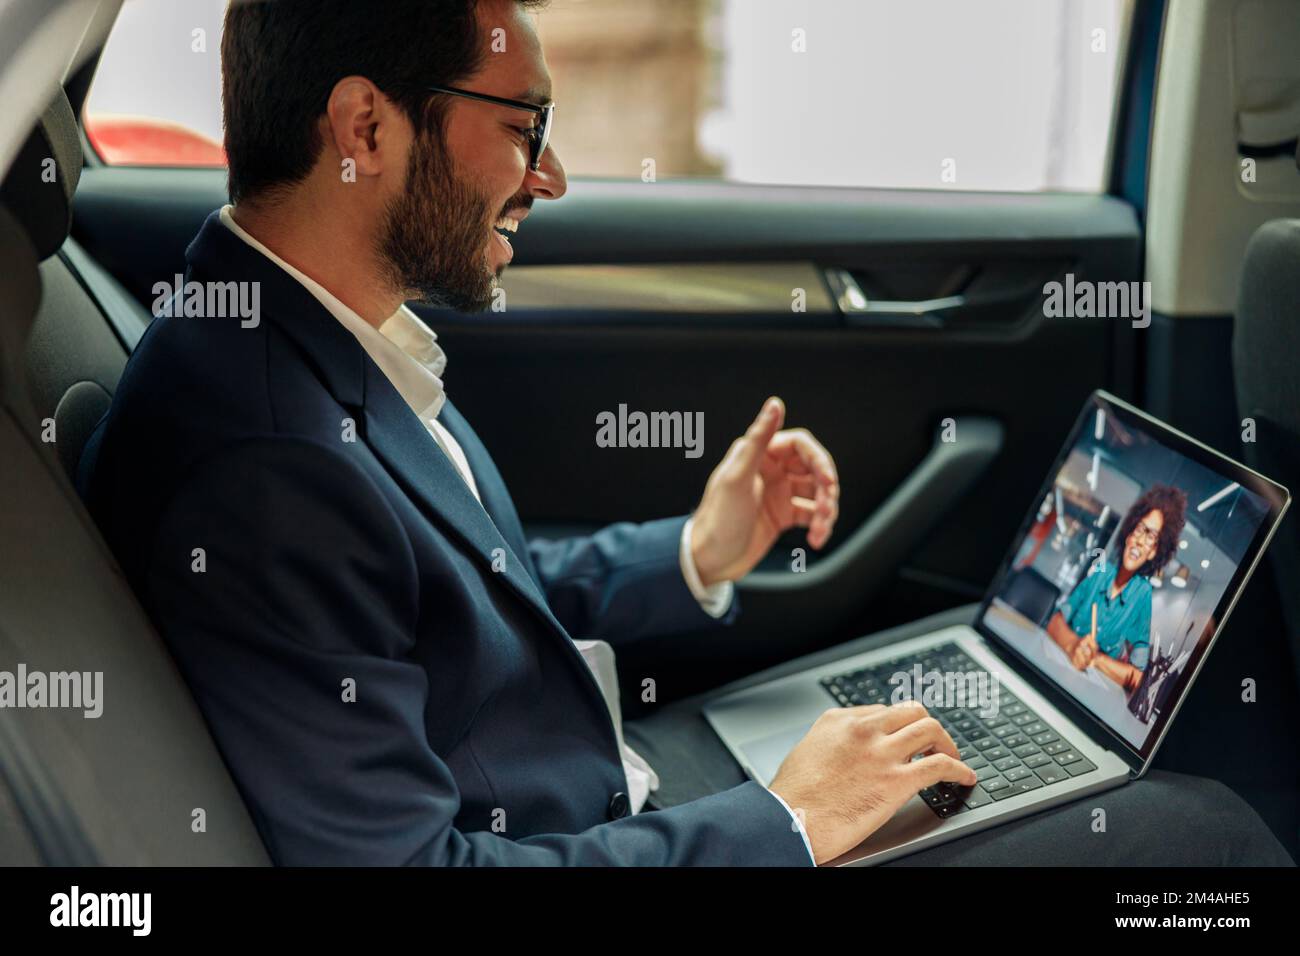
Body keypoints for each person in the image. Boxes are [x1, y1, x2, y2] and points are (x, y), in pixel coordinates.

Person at [78, 0, 981, 866]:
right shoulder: (268, 472)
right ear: (365, 129)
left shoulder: (315, 334)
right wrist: (786, 826)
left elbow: (468, 600)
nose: (549, 176)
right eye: (523, 126)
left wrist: (700, 552)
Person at [1045, 485, 1187, 693]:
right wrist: (1074, 646)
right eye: (1139, 529)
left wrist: (1097, 659)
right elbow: (1055, 621)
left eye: (1151, 538)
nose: (1140, 541)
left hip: (1087, 692)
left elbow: (1138, 678)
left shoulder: (1142, 594)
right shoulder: (1101, 570)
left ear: (1154, 553)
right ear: (1129, 534)